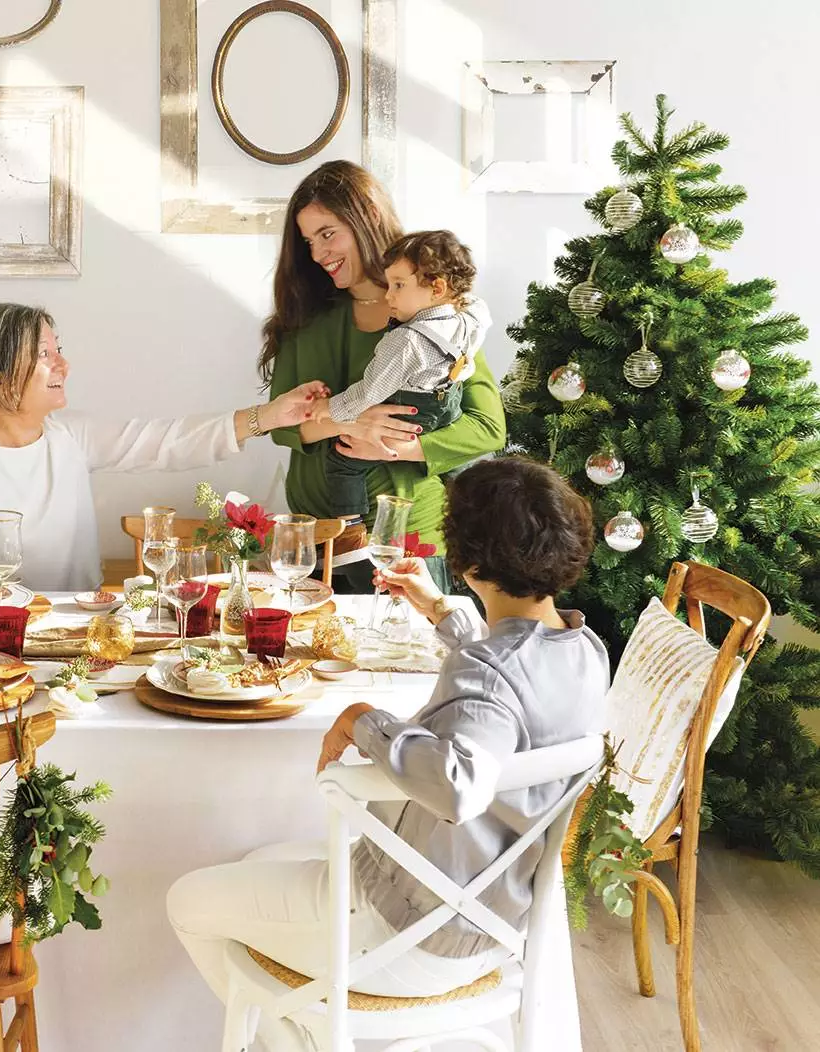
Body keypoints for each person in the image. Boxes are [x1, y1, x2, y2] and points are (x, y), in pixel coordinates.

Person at [166, 457, 608, 1052]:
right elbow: (510, 690)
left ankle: (304, 1042)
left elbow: (460, 782)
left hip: (407, 934)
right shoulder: (585, 647)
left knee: (186, 900)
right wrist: (442, 612)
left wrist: (363, 721)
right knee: (261, 859)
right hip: (497, 927)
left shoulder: (485, 673)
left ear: (468, 561)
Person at [0, 303, 329, 593]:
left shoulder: (70, 437)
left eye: (58, 350)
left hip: (79, 629)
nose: (63, 364)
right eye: (45, 354)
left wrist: (269, 416)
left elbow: (167, 441)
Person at [261, 161, 505, 589]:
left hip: (409, 548)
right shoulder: (305, 317)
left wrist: (394, 447)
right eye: (308, 241)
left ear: (369, 216)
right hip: (316, 545)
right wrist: (348, 422)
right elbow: (280, 426)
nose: (318, 255)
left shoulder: (444, 320)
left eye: (328, 234)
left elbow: (487, 429)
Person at [322, 230, 491, 518]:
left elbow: (369, 392)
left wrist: (328, 411)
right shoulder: (472, 318)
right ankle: (475, 519)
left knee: (342, 459)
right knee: (458, 468)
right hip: (450, 411)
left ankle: (349, 532)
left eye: (398, 285)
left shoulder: (407, 340)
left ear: (437, 289)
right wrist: (456, 289)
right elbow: (475, 304)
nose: (388, 296)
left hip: (413, 415)